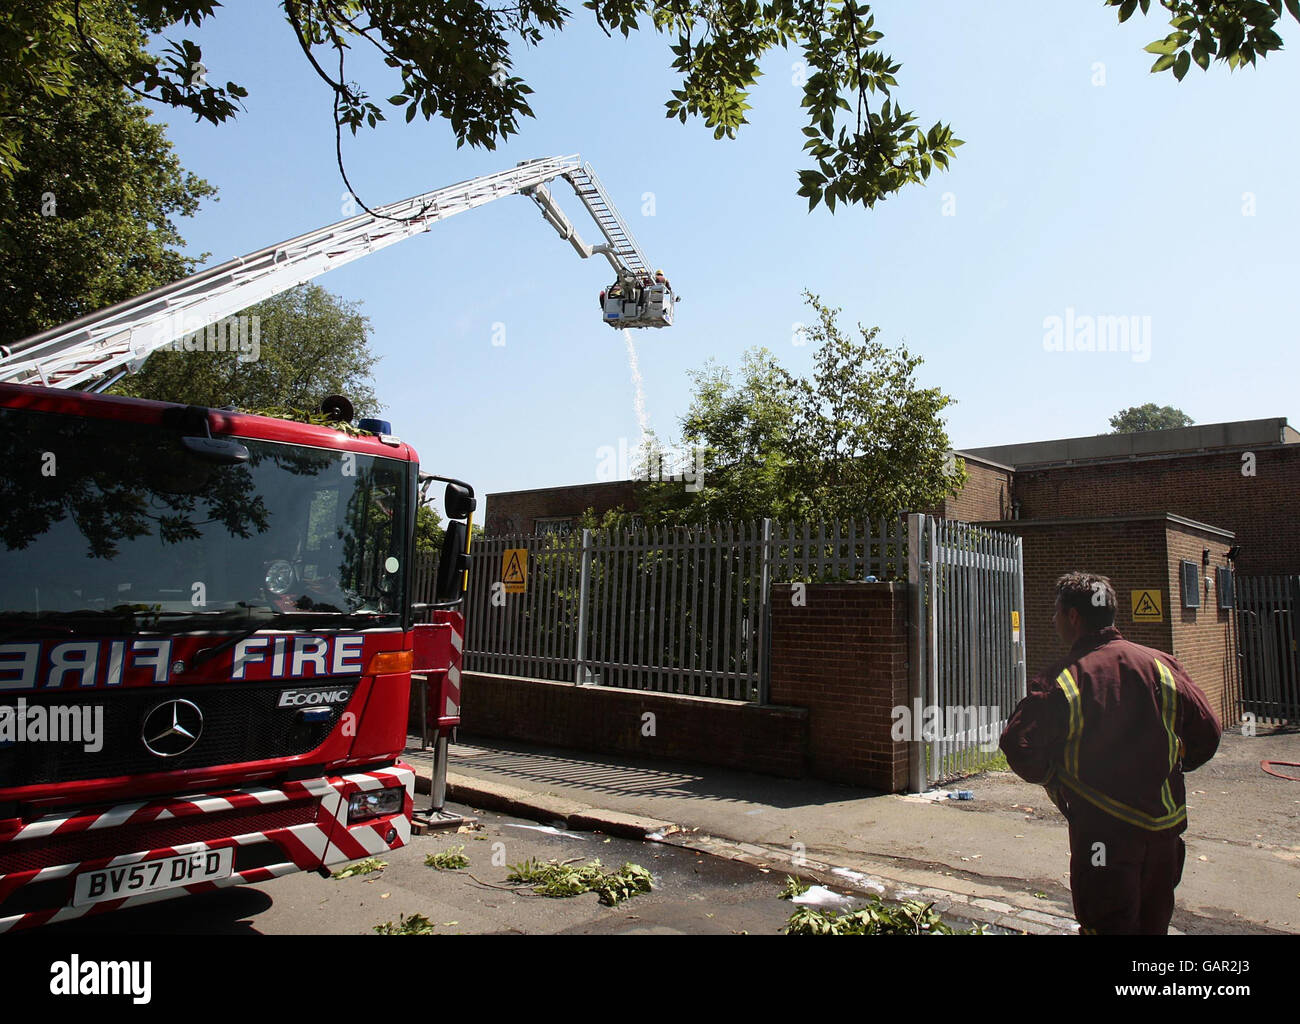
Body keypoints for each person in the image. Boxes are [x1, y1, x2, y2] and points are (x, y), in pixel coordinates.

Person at [999, 571, 1222, 935]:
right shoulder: (1162, 665)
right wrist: (1169, 767)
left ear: (1073, 617)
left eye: (1056, 613)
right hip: (1163, 838)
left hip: (1103, 838)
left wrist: (1055, 779)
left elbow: (1017, 742)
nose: (1053, 621)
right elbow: (1208, 733)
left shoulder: (1066, 678)